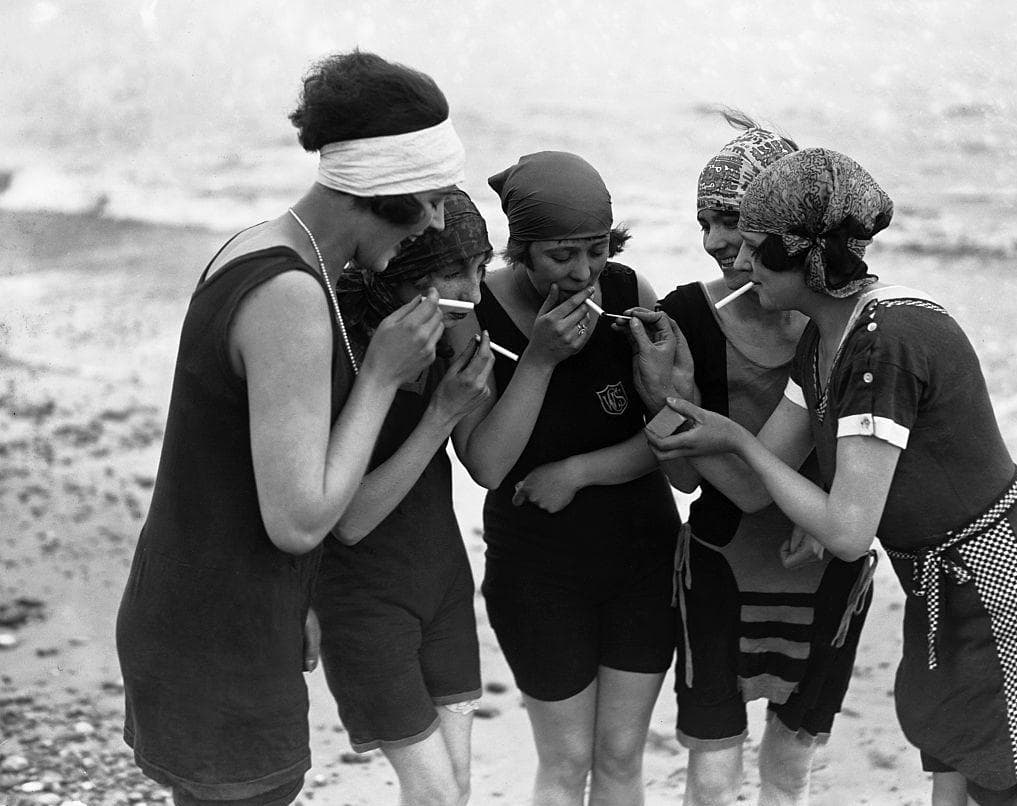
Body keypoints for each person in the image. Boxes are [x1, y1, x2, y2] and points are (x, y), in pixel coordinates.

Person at [115, 51, 466, 806]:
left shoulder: (263, 247)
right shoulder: (289, 294)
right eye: (432, 200)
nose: (437, 221)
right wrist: (380, 376)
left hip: (212, 610)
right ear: (385, 186)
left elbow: (257, 473)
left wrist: (298, 603)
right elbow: (299, 519)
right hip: (215, 629)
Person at [635, 148, 1017, 806]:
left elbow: (844, 531)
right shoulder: (825, 338)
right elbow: (757, 490)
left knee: (991, 783)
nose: (738, 261)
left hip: (991, 590)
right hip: (939, 589)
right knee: (953, 774)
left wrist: (733, 440)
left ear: (800, 255)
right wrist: (668, 395)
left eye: (755, 246)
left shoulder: (883, 341)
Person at [448, 151, 681, 805]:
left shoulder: (632, 292)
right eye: (560, 255)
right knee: (566, 758)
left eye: (596, 249)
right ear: (520, 248)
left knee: (618, 755)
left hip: (641, 554)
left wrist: (577, 470)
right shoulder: (475, 311)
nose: (583, 272)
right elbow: (487, 463)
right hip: (536, 567)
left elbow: (671, 437)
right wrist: (541, 358)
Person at [654, 120, 872, 805]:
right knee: (712, 775)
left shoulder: (841, 322)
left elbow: (890, 442)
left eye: (730, 221)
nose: (715, 241)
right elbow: (683, 477)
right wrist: (673, 393)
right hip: (720, 561)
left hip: (825, 572)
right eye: (704, 222)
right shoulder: (685, 314)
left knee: (789, 769)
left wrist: (832, 494)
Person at [312, 189, 494, 806]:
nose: (474, 293)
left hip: (442, 578)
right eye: (455, 273)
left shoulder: (448, 337)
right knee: (437, 795)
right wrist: (442, 413)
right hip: (362, 600)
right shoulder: (341, 353)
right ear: (402, 272)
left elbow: (489, 462)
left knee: (457, 789)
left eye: (482, 269)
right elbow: (351, 521)